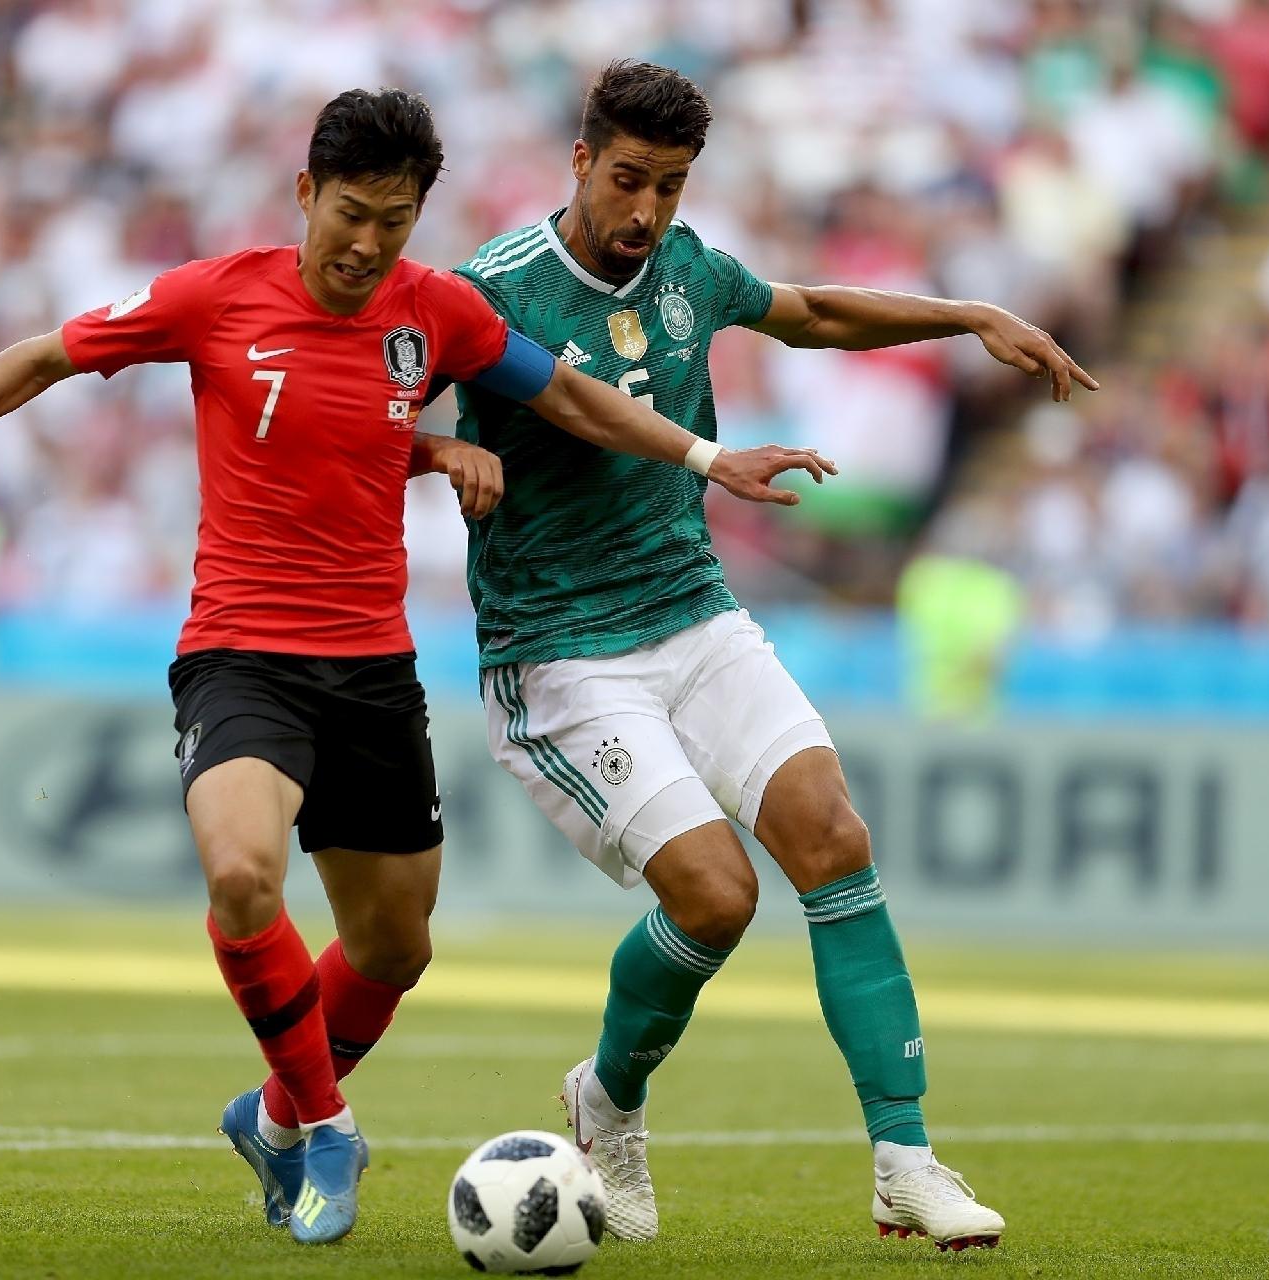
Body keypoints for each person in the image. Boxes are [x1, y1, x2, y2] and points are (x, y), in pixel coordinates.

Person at [0, 86, 831, 1247]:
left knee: (396, 944)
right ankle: (327, 1121)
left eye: (394, 221)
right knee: (245, 875)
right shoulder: (214, 296)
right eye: (350, 213)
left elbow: (561, 396)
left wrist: (704, 454)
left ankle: (273, 1111)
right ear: (306, 192)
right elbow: (47, 357)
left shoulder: (434, 313)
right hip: (240, 653)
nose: (366, 244)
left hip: (373, 666)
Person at [450, 61, 1097, 1252]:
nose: (648, 211)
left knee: (834, 836)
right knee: (715, 895)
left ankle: (905, 1157)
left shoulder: (693, 269)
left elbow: (811, 312)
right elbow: (380, 402)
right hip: (558, 651)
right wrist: (442, 454)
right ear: (581, 160)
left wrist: (965, 315)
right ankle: (609, 1098)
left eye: (674, 186)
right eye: (631, 179)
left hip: (694, 612)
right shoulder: (488, 292)